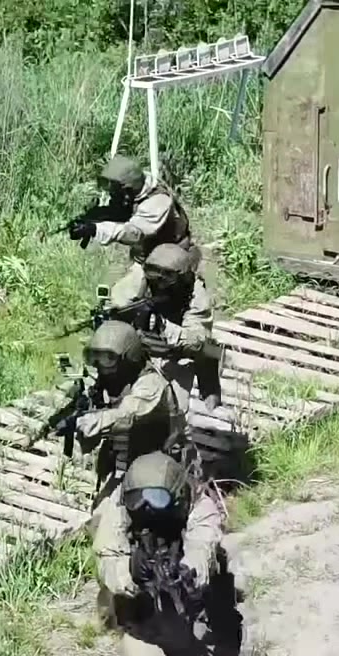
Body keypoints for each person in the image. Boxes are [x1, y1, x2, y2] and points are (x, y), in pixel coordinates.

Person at [92, 451, 240, 656]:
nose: (147, 510)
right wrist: (130, 572)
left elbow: (202, 551)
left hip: (200, 631)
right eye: (140, 502)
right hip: (145, 628)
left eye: (157, 501)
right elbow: (106, 559)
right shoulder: (118, 506)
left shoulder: (201, 508)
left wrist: (184, 575)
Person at [68, 320, 188, 514]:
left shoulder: (151, 383)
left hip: (160, 465)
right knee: (101, 510)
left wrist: (88, 421)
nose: (100, 365)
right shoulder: (113, 380)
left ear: (128, 356)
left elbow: (126, 413)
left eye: (108, 358)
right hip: (128, 458)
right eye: (95, 357)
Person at [68, 155, 199, 307]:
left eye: (115, 188)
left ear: (128, 188)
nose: (112, 192)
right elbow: (122, 211)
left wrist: (96, 229)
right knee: (117, 297)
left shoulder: (157, 201)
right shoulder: (137, 193)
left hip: (169, 263)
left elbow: (134, 233)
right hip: (146, 256)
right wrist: (93, 218)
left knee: (123, 304)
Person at [109, 242, 221, 413]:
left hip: (176, 355)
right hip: (141, 349)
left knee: (172, 412)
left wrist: (163, 326)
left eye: (168, 276)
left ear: (182, 277)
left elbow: (197, 340)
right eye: (153, 272)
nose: (159, 282)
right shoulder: (141, 278)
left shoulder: (196, 296)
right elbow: (119, 300)